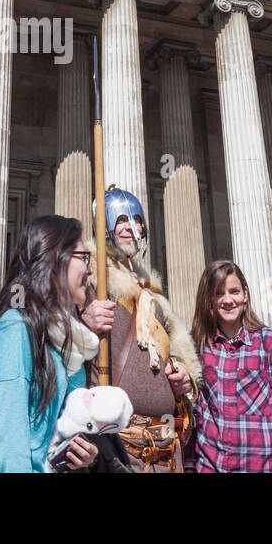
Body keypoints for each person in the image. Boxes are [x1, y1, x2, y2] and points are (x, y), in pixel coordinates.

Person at [0, 215, 111, 473]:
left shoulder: (65, 339)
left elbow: (61, 431)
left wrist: (83, 452)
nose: (90, 271)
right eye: (84, 257)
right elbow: (13, 448)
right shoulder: (16, 328)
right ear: (56, 259)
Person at [90, 188, 197, 472]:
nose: (131, 226)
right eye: (121, 219)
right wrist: (84, 318)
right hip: (120, 448)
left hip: (163, 448)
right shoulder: (92, 282)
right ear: (104, 226)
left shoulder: (154, 297)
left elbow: (175, 357)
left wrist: (184, 379)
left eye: (136, 219)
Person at [186, 259, 272, 472]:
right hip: (211, 466)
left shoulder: (271, 344)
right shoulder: (198, 346)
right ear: (209, 299)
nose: (228, 300)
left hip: (264, 466)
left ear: (245, 294)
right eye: (219, 293)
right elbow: (193, 417)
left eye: (234, 291)